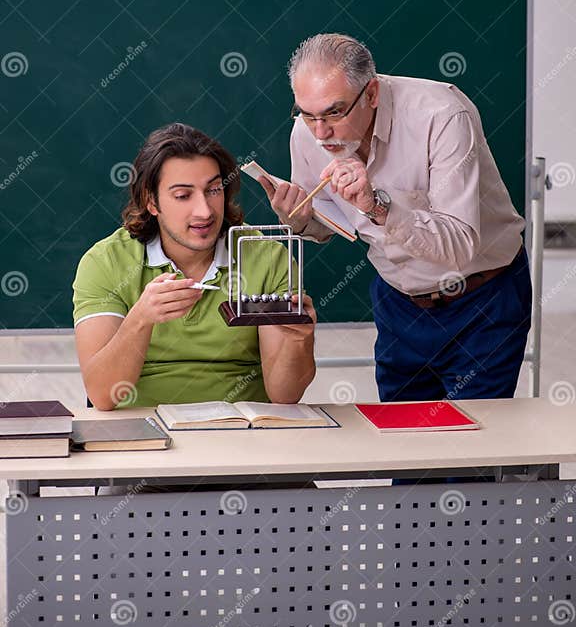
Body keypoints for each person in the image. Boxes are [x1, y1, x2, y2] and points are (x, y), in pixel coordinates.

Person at [259, 33, 532, 404]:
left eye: (334, 113)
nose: (321, 133)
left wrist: (377, 206)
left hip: (482, 297)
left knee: (476, 444)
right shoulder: (307, 135)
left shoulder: (442, 114)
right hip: (400, 302)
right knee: (402, 443)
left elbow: (460, 245)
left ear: (371, 93)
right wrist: (300, 220)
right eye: (307, 114)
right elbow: (332, 221)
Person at [73, 123, 316, 410]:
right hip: (143, 435)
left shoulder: (267, 257)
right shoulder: (105, 262)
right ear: (151, 201)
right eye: (182, 196)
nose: (204, 211)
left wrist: (296, 340)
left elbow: (284, 396)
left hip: (244, 433)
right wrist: (141, 319)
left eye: (214, 190)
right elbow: (103, 395)